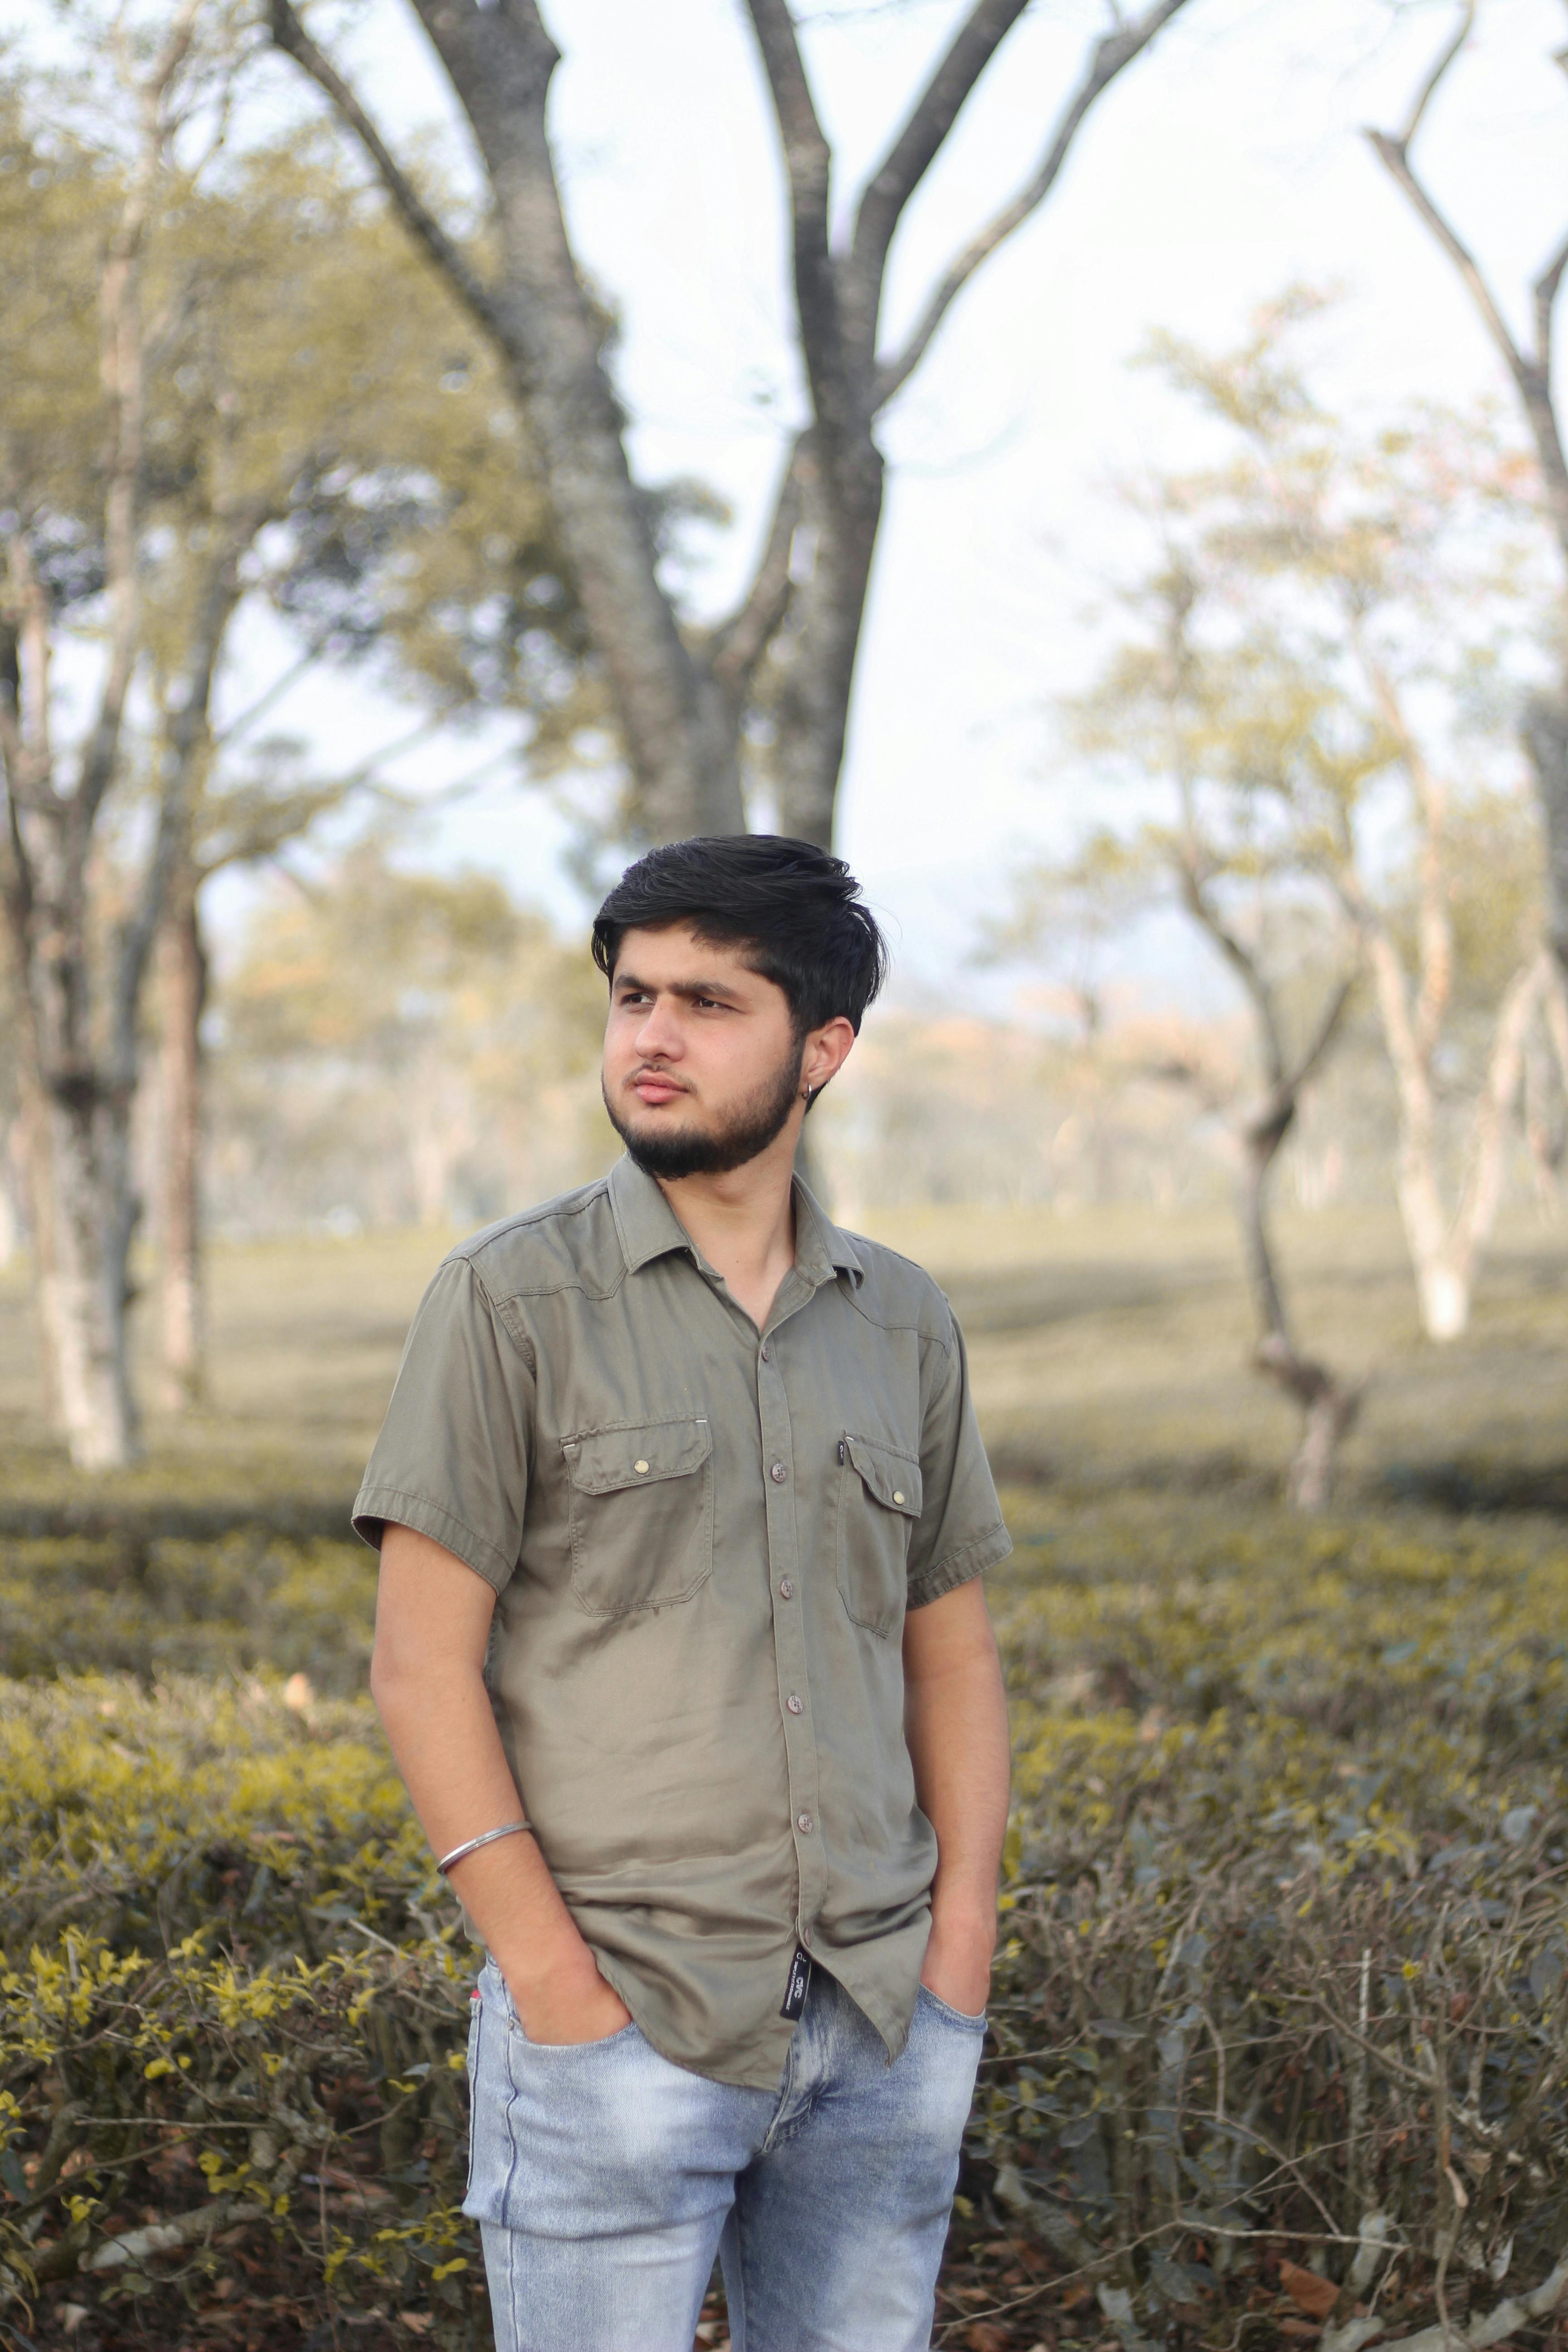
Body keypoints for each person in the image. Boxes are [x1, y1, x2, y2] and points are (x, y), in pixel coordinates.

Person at [355, 836, 1014, 2352]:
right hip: (618, 2029)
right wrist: (552, 1985)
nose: (652, 1036)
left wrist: (960, 1955)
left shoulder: (904, 1323)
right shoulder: (507, 1303)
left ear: (822, 1049)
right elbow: (419, 1668)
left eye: (709, 1003)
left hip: (881, 2026)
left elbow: (953, 1658)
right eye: (634, 996)